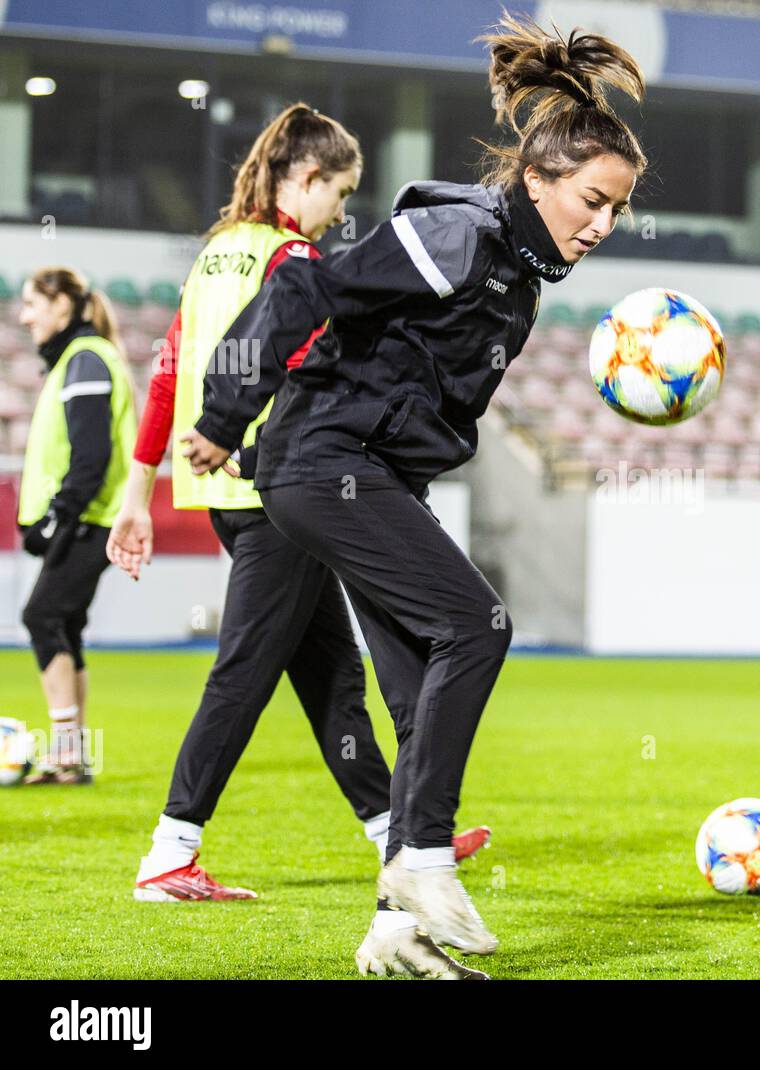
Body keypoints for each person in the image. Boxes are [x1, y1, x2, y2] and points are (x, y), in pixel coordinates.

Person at [181, 13, 646, 979]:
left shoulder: (519, 278)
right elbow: (304, 285)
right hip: (316, 463)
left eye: (617, 210)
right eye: (593, 200)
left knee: (417, 687)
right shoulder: (462, 238)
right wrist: (226, 414)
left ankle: (398, 935)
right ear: (538, 181)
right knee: (476, 627)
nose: (602, 224)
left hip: (369, 475)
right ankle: (424, 861)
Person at [105, 103, 490, 907]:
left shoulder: (213, 254)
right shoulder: (295, 259)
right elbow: (308, 376)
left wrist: (138, 495)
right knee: (244, 671)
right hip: (279, 485)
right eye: (342, 192)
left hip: (223, 492)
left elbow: (173, 371)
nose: (345, 213)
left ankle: (398, 832)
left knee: (329, 678)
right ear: (306, 178)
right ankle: (169, 850)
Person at [16, 269, 136, 785]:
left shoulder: (85, 359)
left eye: (31, 305)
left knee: (42, 617)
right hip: (93, 516)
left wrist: (56, 517)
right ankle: (72, 756)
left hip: (90, 517)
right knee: (63, 624)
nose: (24, 317)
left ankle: (67, 756)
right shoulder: (82, 357)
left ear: (62, 305)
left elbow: (91, 456)